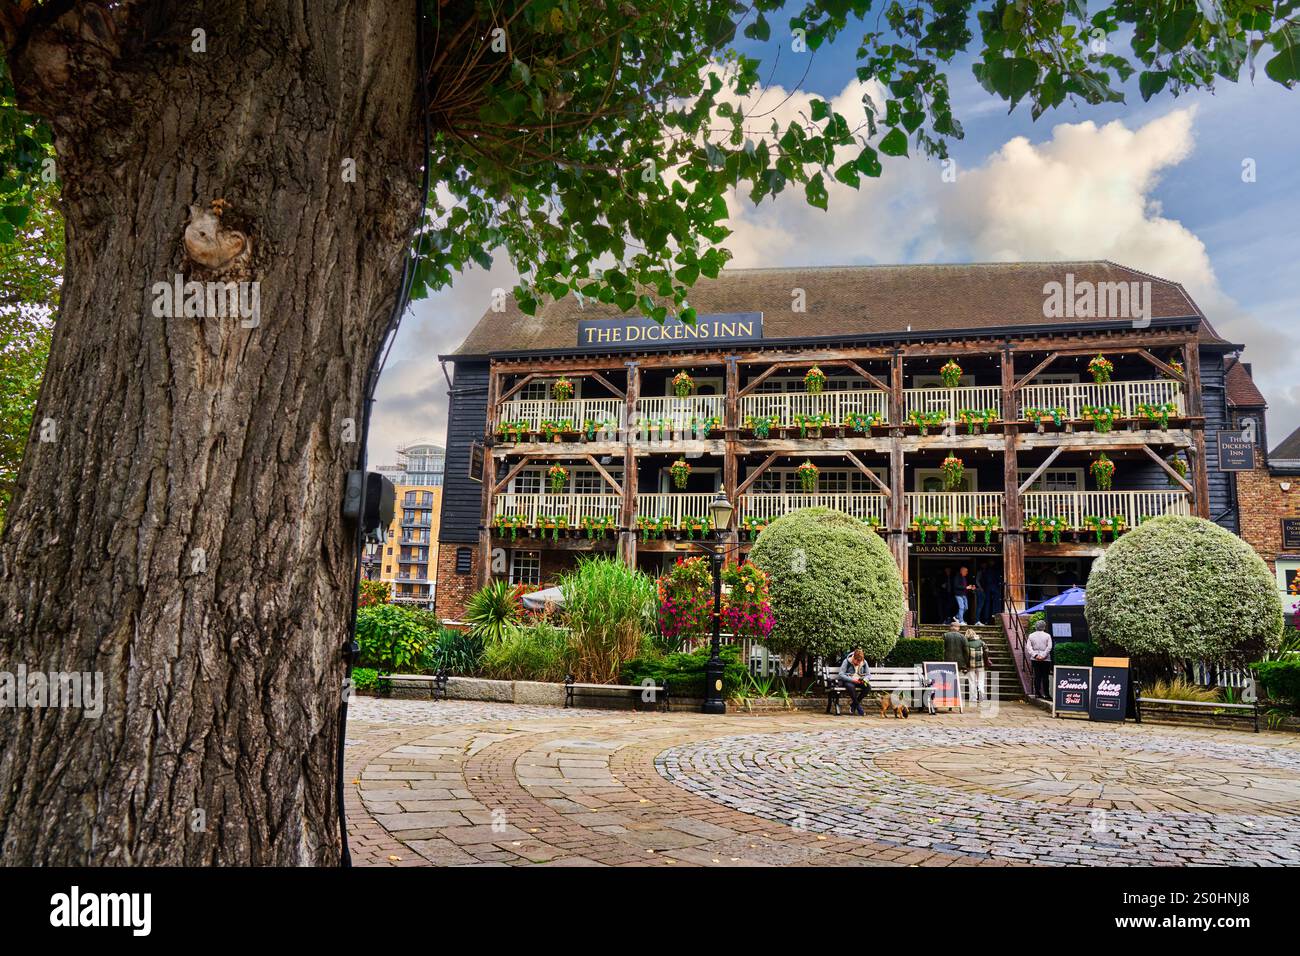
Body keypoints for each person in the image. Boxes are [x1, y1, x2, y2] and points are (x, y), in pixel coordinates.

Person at [838, 647, 872, 716]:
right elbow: (841, 674)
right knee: (850, 686)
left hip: (859, 681)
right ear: (854, 657)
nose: (858, 663)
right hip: (849, 681)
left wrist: (864, 680)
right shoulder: (847, 661)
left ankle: (853, 705)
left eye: (860, 662)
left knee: (868, 687)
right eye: (857, 661)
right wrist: (852, 679)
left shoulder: (864, 662)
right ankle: (858, 707)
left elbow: (868, 674)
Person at [1026, 619, 1053, 699]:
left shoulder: (1031, 635)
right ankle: (1046, 694)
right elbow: (1049, 647)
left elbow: (1029, 647)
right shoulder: (1047, 636)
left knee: (1037, 676)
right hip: (1046, 659)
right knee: (1045, 676)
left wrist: (1035, 655)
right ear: (1044, 627)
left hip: (1035, 659)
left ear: (1036, 627)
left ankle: (1037, 693)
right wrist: (1043, 655)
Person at [965, 628, 987, 702]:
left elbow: (965, 655)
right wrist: (986, 661)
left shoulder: (967, 643)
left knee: (972, 681)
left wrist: (965, 665)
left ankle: (973, 698)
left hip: (970, 665)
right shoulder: (981, 642)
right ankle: (981, 695)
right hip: (980, 665)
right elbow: (986, 651)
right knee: (980, 681)